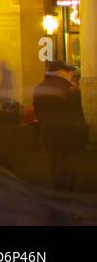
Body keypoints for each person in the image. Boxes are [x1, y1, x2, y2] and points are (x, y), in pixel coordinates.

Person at [32, 61, 87, 191]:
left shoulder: (40, 87)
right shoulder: (69, 89)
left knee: (55, 163)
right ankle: (66, 194)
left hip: (50, 133)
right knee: (69, 165)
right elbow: (76, 113)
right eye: (67, 71)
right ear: (60, 73)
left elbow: (38, 112)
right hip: (70, 134)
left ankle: (57, 190)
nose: (69, 74)